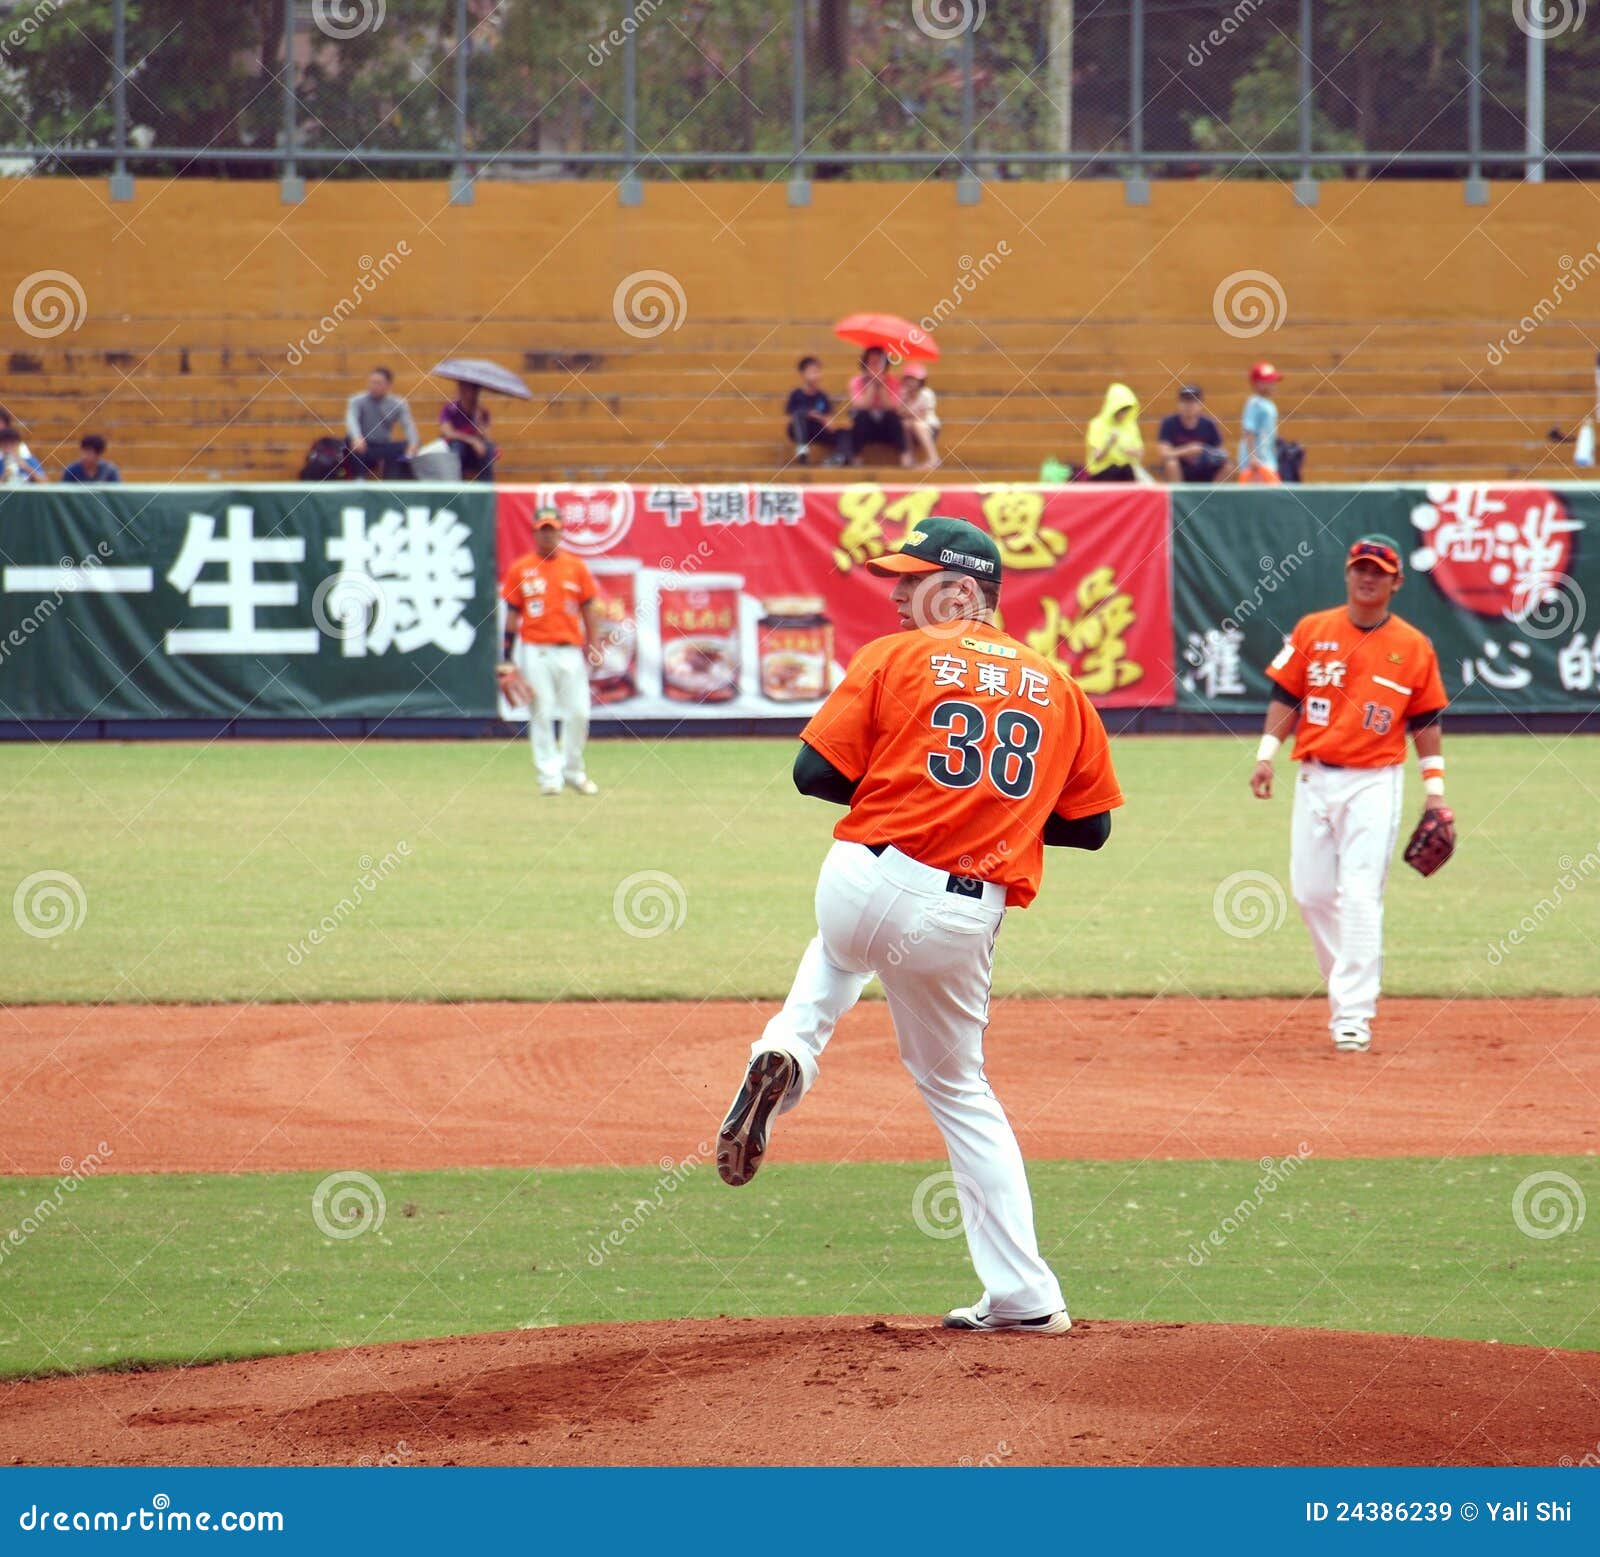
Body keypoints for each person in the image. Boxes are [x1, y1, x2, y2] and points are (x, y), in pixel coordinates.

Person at [715, 516, 1124, 1334]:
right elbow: (1090, 829)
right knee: (960, 1089)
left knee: (841, 943)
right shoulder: (1059, 685)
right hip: (962, 917)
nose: (898, 595)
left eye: (913, 580)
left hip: (866, 875)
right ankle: (1025, 1295)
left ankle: (791, 1050)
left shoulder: (896, 658)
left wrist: (911, 793)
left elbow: (810, 774)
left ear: (964, 590)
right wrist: (989, 811)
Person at [1249, 535, 1450, 1053]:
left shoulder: (1413, 645)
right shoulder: (1315, 630)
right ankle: (1347, 987)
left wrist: (1435, 793)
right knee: (1312, 894)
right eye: (1361, 568)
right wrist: (1266, 753)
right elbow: (1286, 694)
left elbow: (1425, 720)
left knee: (1360, 895)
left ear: (1395, 582)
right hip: (1315, 776)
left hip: (1374, 782)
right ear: (1348, 573)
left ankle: (1353, 1014)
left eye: (1379, 572)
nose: (1368, 577)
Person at [498, 508, 604, 795]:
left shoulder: (575, 567)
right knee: (541, 712)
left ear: (561, 532)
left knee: (579, 712)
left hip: (570, 649)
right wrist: (506, 656)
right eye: (543, 529)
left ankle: (573, 770)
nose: (548, 534)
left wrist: (594, 643)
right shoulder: (521, 568)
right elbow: (511, 613)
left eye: (552, 529)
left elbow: (589, 607)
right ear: (534, 533)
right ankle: (549, 775)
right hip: (535, 649)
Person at [345, 367, 419, 480]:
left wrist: (413, 444)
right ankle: (359, 480)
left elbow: (409, 426)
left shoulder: (398, 403)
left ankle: (393, 482)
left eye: (378, 383)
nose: (373, 386)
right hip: (363, 444)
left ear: (388, 385)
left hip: (383, 446)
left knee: (405, 447)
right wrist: (356, 437)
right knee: (349, 443)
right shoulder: (357, 400)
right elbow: (351, 419)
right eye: (372, 382)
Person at [847, 347, 907, 466]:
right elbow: (861, 405)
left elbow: (892, 406)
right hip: (867, 428)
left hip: (886, 428)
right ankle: (857, 457)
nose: (876, 368)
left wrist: (881, 386)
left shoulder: (893, 382)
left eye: (879, 364)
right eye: (872, 363)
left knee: (893, 417)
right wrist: (871, 385)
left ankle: (905, 456)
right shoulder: (856, 382)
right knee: (860, 416)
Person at [785, 355, 848, 466]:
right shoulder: (796, 394)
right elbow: (792, 413)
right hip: (801, 429)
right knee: (799, 416)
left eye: (817, 371)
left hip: (818, 429)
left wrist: (825, 420)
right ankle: (802, 451)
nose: (816, 375)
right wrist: (809, 414)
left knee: (844, 433)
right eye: (812, 372)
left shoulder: (822, 396)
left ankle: (839, 457)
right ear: (803, 374)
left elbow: (828, 415)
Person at [1156, 386, 1226, 483]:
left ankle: (1213, 495)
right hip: (1181, 467)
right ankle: (1179, 496)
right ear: (1178, 404)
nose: (1188, 406)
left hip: (1204, 466)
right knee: (1171, 463)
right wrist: (1187, 451)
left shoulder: (1209, 424)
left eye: (1192, 402)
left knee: (1228, 466)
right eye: (1184, 402)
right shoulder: (1169, 423)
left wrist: (1203, 451)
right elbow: (1164, 453)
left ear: (1200, 405)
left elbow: (1220, 452)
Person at [1083, 382, 1145, 481]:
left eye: (1127, 409)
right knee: (1117, 469)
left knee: (1128, 470)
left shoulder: (1131, 425)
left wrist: (1128, 451)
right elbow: (1097, 458)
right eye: (1122, 409)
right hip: (1102, 472)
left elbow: (1140, 454)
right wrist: (1109, 444)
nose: (1124, 413)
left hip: (1126, 471)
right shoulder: (1097, 425)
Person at [442, 380, 496, 482]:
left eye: (474, 390)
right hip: (457, 452)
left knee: (488, 448)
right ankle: (454, 487)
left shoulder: (482, 412)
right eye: (466, 389)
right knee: (457, 445)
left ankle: (486, 490)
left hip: (475, 454)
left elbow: (489, 438)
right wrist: (471, 440)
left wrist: (480, 424)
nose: (470, 394)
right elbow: (448, 433)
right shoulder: (450, 409)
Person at [1238, 362, 1282, 484]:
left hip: (1267, 459)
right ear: (1258, 384)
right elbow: (1249, 430)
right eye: (1269, 382)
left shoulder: (1268, 404)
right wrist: (1252, 457)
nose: (1273, 385)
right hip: (1257, 464)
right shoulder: (1254, 403)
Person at [899, 361, 940, 470]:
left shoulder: (926, 394)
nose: (910, 382)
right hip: (910, 428)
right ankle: (910, 456)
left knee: (917, 424)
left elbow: (922, 415)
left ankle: (934, 459)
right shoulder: (902, 395)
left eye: (913, 379)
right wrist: (906, 400)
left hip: (928, 428)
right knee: (905, 424)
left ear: (920, 381)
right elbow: (899, 413)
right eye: (908, 379)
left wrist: (907, 412)